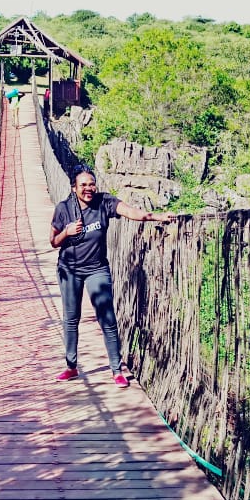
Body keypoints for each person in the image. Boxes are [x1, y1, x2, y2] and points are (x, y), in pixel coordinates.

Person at [50, 166, 176, 387]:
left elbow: (131, 212)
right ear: (74, 188)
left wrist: (156, 217)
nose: (88, 188)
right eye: (83, 185)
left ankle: (117, 370)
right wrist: (66, 232)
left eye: (91, 184)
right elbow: (53, 241)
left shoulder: (104, 202)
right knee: (71, 318)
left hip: (96, 268)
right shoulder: (63, 209)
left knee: (107, 317)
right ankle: (71, 367)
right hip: (69, 269)